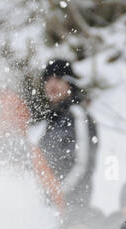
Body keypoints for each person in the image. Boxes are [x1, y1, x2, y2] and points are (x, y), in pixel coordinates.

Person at [36, 58, 97, 212]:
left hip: (73, 209)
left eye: (57, 79)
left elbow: (83, 162)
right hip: (51, 208)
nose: (51, 85)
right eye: (47, 80)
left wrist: (59, 194)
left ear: (69, 83)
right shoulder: (53, 120)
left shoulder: (77, 115)